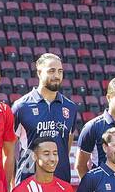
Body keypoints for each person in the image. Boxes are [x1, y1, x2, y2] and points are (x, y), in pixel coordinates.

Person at [10, 53, 80, 183]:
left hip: (61, 180)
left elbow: (66, 145)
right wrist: (12, 181)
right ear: (39, 72)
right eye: (51, 71)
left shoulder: (70, 108)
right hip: (28, 180)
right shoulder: (21, 106)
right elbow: (9, 148)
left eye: (60, 71)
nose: (57, 76)